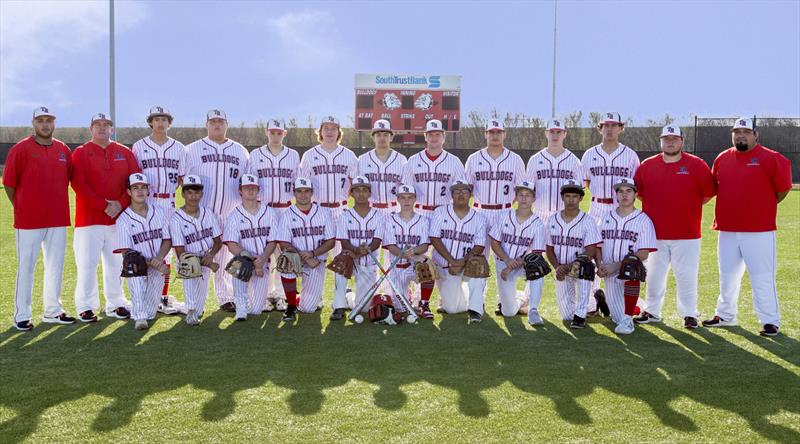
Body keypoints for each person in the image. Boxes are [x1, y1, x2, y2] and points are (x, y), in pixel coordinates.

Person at [702, 118, 792, 337]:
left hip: (759, 229)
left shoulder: (771, 158)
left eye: (746, 132)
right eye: (737, 132)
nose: (740, 135)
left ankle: (769, 321)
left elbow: (782, 189)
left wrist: (763, 206)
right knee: (727, 276)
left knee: (762, 276)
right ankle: (725, 315)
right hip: (727, 229)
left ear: (755, 135)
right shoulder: (722, 158)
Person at [633, 124, 715, 329]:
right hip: (654, 233)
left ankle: (689, 313)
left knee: (686, 276)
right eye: (666, 139)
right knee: (654, 276)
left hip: (687, 233)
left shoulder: (696, 164)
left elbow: (707, 194)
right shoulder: (647, 165)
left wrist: (686, 207)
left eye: (674, 138)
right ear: (661, 141)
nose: (670, 142)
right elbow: (640, 194)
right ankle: (652, 311)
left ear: (681, 141)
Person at [4, 106, 76, 331]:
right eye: (41, 120)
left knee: (55, 266)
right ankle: (21, 315)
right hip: (29, 220)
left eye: (49, 120)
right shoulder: (20, 148)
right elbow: (9, 183)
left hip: (57, 218)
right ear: (34, 123)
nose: (45, 124)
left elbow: (69, 179)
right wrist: (22, 206)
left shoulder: (63, 149)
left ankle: (52, 311)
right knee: (26, 267)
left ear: (54, 123)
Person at [71, 113, 141, 322]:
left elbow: (135, 182)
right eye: (97, 124)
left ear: (112, 129)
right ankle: (86, 306)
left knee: (116, 264)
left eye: (106, 125)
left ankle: (116, 303)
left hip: (118, 220)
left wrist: (120, 203)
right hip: (88, 220)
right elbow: (79, 184)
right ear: (91, 128)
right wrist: (103, 205)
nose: (102, 128)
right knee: (87, 265)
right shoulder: (81, 152)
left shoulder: (124, 152)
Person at [180, 109, 250, 313]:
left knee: (225, 257)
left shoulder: (240, 151)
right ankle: (195, 302)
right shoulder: (191, 150)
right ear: (206, 124)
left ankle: (226, 297)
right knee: (198, 256)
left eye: (220, 121)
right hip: (201, 213)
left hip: (230, 212)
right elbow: (182, 179)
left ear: (227, 124)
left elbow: (246, 182)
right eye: (213, 121)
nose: (217, 124)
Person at [581, 112, 641, 315]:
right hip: (597, 207)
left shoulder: (630, 155)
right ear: (600, 128)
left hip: (620, 209)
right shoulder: (589, 154)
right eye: (605, 125)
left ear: (621, 128)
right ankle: (592, 299)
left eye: (614, 125)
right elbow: (585, 182)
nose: (609, 129)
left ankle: (619, 299)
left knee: (620, 252)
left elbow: (635, 184)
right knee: (591, 252)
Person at [131, 106, 186, 314]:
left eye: (164, 119)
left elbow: (182, 178)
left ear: (169, 123)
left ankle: (162, 296)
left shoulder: (179, 148)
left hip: (169, 203)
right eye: (156, 119)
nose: (160, 123)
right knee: (146, 249)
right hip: (147, 202)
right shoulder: (139, 146)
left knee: (166, 250)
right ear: (150, 122)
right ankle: (145, 294)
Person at [247, 118, 299, 312]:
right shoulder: (255, 155)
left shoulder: (293, 155)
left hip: (285, 209)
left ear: (284, 134)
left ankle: (281, 295)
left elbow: (298, 184)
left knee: (284, 254)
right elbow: (250, 183)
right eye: (272, 132)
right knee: (264, 253)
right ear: (266, 132)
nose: (275, 135)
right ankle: (266, 295)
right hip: (263, 209)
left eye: (279, 132)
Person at [595, 178, 657, 335]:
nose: (624, 195)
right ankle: (632, 306)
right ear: (616, 195)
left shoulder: (643, 220)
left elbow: (643, 253)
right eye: (620, 191)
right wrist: (600, 265)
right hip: (609, 272)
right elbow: (597, 246)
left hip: (632, 271)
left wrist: (615, 265)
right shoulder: (606, 217)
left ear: (635, 194)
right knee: (617, 317)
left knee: (631, 264)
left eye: (629, 191)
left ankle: (629, 318)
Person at [115, 173, 172, 330]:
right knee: (132, 266)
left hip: (157, 262)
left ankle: (141, 310)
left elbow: (167, 240)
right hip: (137, 265)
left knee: (151, 313)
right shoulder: (123, 220)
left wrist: (159, 259)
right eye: (135, 188)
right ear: (129, 192)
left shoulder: (160, 212)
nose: (140, 191)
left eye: (143, 187)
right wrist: (153, 263)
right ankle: (139, 317)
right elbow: (126, 252)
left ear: (148, 190)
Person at [274, 178, 336, 321]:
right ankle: (291, 306)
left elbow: (331, 242)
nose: (303, 195)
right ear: (294, 193)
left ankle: (298, 299)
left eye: (306, 191)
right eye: (299, 191)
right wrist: (304, 257)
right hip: (295, 259)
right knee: (287, 260)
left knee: (308, 308)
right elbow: (283, 243)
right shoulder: (287, 215)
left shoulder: (324, 213)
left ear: (312, 193)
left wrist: (313, 254)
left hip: (316, 261)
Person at [428, 180, 488, 323]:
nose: (461, 194)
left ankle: (475, 310)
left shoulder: (479, 218)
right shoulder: (440, 212)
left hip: (468, 265)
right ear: (451, 194)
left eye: (465, 191)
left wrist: (461, 262)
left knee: (479, 270)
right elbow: (434, 238)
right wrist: (452, 261)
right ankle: (467, 297)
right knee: (452, 309)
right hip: (445, 266)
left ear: (470, 195)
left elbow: (479, 246)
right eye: (457, 191)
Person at [545, 180, 602, 329]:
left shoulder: (588, 221)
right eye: (568, 196)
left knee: (585, 265)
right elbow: (549, 250)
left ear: (581, 198)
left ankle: (580, 315)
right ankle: (596, 300)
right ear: (562, 197)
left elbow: (590, 252)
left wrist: (567, 267)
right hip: (561, 268)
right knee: (566, 316)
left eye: (575, 196)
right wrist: (558, 268)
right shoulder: (552, 220)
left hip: (580, 267)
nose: (571, 200)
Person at [298, 116, 358, 259]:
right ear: (320, 132)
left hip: (341, 210)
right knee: (317, 255)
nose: (329, 132)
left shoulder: (349, 155)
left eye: (333, 128)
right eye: (326, 128)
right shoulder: (309, 155)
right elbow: (302, 185)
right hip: (317, 209)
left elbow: (356, 184)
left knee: (342, 258)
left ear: (339, 132)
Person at [489, 180, 547, 325]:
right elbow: (494, 243)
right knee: (508, 312)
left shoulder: (538, 224)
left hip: (525, 265)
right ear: (515, 197)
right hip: (503, 262)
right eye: (521, 195)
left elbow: (536, 253)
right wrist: (507, 261)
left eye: (528, 195)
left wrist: (511, 266)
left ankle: (533, 310)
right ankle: (521, 299)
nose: (524, 198)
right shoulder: (503, 216)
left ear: (533, 199)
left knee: (538, 267)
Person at [222, 174, 279, 321]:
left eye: (253, 187)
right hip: (243, 261)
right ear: (240, 190)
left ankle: (248, 304)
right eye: (247, 188)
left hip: (263, 262)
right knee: (238, 265)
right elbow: (232, 245)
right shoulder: (234, 215)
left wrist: (262, 259)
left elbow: (272, 242)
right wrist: (251, 259)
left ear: (258, 189)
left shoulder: (269, 213)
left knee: (256, 310)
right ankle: (240, 305)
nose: (250, 190)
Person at [169, 175, 223, 326]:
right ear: (183, 194)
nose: (193, 196)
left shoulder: (208, 213)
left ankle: (190, 308)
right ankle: (190, 309)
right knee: (189, 267)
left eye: (197, 192)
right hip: (186, 262)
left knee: (200, 309)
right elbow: (180, 252)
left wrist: (211, 255)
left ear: (202, 194)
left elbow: (218, 242)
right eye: (190, 192)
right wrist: (209, 263)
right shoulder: (176, 219)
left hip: (205, 258)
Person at [330, 176, 384, 321]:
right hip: (350, 261)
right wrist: (355, 251)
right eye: (357, 190)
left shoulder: (378, 216)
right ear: (351, 193)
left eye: (364, 190)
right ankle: (338, 306)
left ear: (369, 193)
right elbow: (344, 242)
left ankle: (349, 296)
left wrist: (361, 252)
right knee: (341, 261)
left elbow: (376, 242)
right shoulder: (345, 216)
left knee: (363, 308)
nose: (361, 194)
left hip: (368, 263)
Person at [379, 184, 433, 318]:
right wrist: (403, 254)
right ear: (398, 199)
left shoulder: (423, 220)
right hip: (396, 269)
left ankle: (424, 303)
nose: (406, 201)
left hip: (415, 266)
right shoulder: (389, 220)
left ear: (415, 199)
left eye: (410, 197)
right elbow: (391, 247)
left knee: (428, 267)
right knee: (401, 309)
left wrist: (413, 251)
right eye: (403, 197)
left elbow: (425, 246)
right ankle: (407, 301)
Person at [401, 120, 466, 215]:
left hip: (444, 213)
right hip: (419, 213)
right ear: (425, 137)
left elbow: (462, 190)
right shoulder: (412, 161)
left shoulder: (455, 161)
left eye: (437, 134)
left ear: (443, 137)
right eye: (430, 134)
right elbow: (406, 190)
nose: (434, 138)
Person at [527, 119, 583, 219]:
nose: (555, 135)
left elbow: (579, 192)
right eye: (552, 132)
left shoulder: (574, 161)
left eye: (559, 132)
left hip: (565, 216)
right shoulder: (534, 160)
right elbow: (528, 191)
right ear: (546, 133)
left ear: (564, 134)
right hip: (539, 215)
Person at [357, 119, 407, 216]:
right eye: (378, 135)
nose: (382, 138)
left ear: (391, 137)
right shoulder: (362, 160)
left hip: (394, 209)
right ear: (373, 138)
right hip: (370, 210)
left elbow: (405, 188)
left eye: (385, 135)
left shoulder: (401, 160)